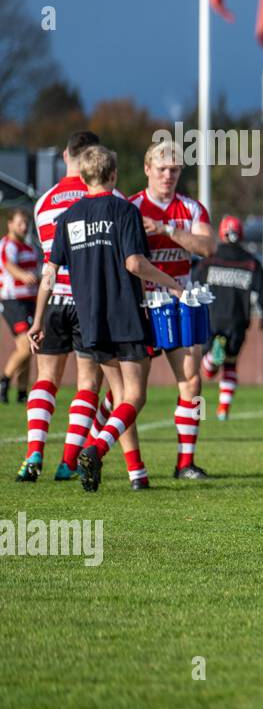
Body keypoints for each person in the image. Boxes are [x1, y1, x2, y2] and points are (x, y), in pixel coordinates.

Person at [30, 145, 184, 492]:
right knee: (135, 397)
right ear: (113, 175)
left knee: (117, 395)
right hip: (125, 315)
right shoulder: (124, 210)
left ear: (83, 177)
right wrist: (172, 283)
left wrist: (38, 319)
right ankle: (96, 448)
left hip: (91, 321)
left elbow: (50, 272)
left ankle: (137, 474)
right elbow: (134, 264)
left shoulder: (67, 218)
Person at [111, 140, 216, 486]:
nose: (168, 175)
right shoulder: (130, 207)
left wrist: (168, 229)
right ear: (147, 169)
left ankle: (186, 461)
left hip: (180, 301)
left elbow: (207, 247)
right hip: (140, 304)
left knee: (192, 380)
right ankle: (105, 448)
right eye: (161, 169)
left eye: (174, 170)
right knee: (124, 391)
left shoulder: (191, 208)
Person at [18, 130, 105, 482]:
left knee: (45, 379)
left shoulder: (43, 203)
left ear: (66, 156)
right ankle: (68, 461)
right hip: (88, 301)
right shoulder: (97, 196)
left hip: (52, 298)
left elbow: (48, 261)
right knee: (88, 383)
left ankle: (33, 453)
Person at [194, 216, 263, 420]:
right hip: (237, 319)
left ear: (221, 233)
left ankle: (212, 358)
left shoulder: (210, 258)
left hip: (211, 317)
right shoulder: (250, 262)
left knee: (207, 370)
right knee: (231, 363)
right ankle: (223, 408)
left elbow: (194, 281)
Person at [0, 209, 40, 404]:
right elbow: (8, 265)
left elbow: (37, 272)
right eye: (19, 223)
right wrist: (24, 276)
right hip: (13, 301)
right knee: (25, 346)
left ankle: (22, 393)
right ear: (10, 224)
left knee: (30, 347)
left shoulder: (30, 247)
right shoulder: (7, 244)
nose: (23, 227)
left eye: (26, 223)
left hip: (30, 302)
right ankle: (4, 381)